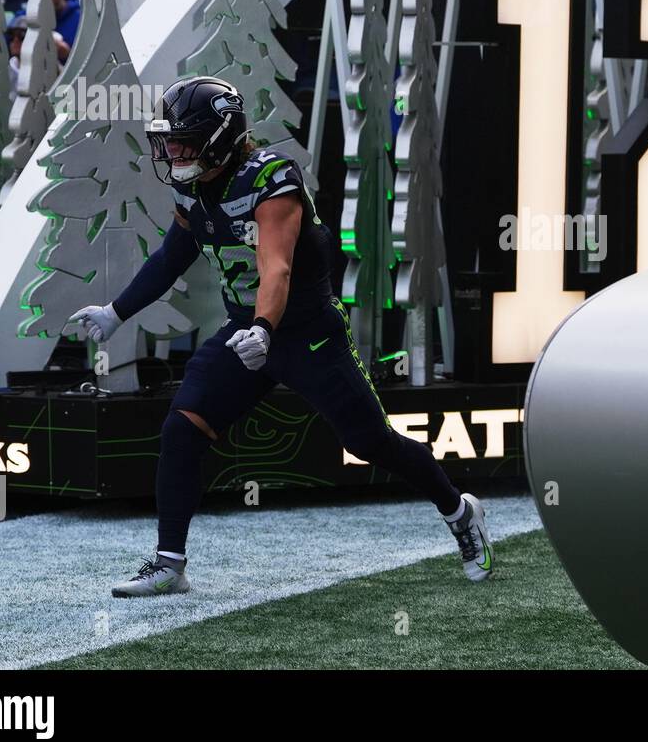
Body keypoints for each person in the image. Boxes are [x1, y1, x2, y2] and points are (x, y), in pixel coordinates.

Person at [68, 77, 495, 596]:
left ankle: (459, 511)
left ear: (219, 136)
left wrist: (265, 329)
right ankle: (169, 563)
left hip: (306, 334)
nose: (173, 151)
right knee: (183, 428)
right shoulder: (192, 184)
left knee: (368, 441)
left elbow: (277, 268)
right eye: (170, 140)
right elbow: (173, 255)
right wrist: (117, 311)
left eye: (183, 139)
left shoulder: (271, 179)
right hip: (244, 331)